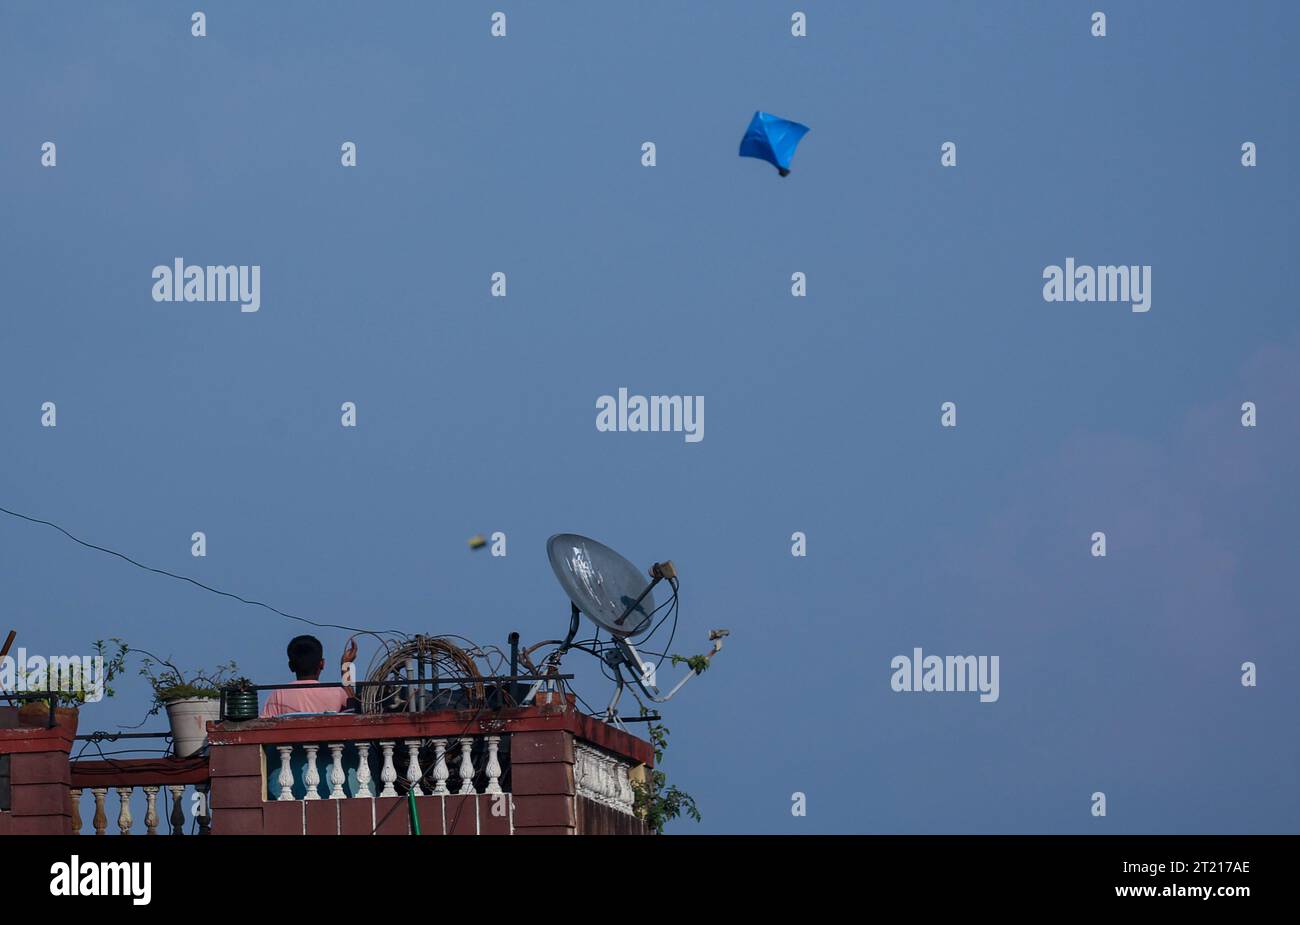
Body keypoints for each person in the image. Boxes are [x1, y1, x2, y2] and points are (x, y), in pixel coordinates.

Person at [260, 635, 359, 718]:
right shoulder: (337, 692)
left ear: (291, 666)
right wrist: (345, 665)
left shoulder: (278, 695)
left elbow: (263, 726)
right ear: (322, 664)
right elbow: (353, 707)